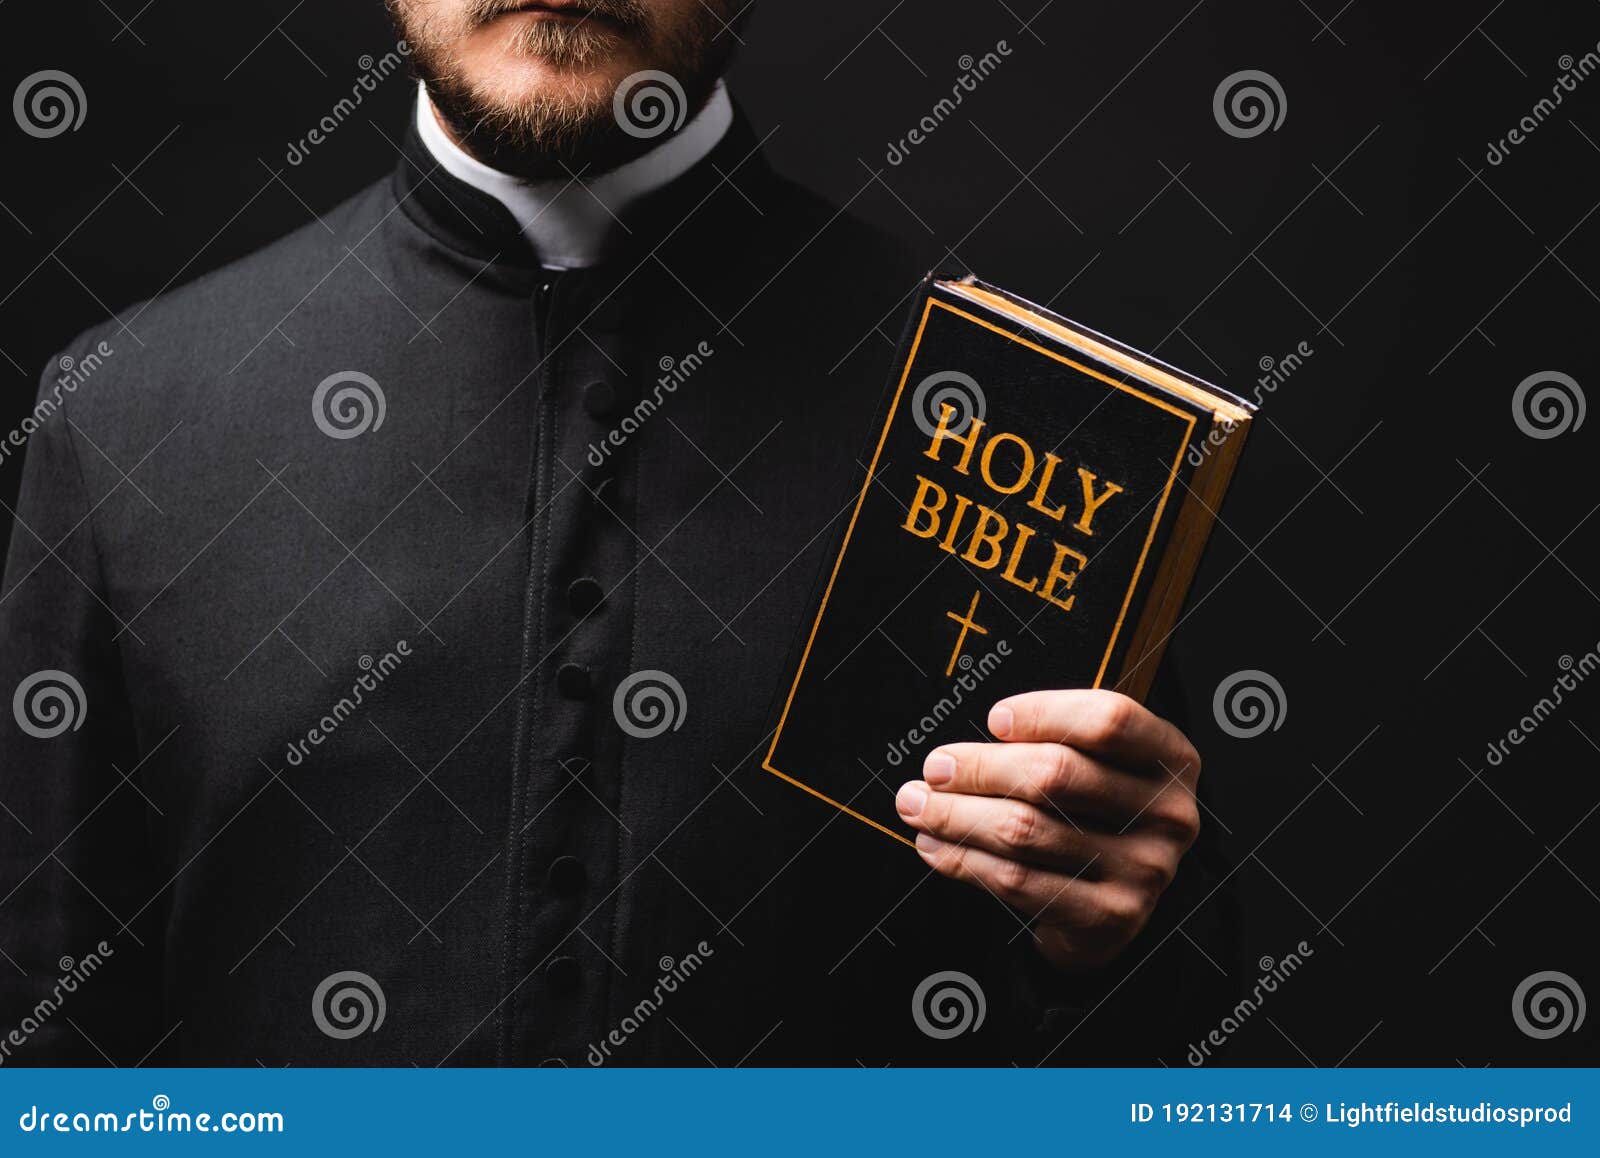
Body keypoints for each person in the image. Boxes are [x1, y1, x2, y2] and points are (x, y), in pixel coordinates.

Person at [0, 0, 1235, 1064]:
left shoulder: (1023, 429)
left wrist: (1111, 953)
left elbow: (1169, 1072)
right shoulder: (122, 418)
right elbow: (51, 1051)